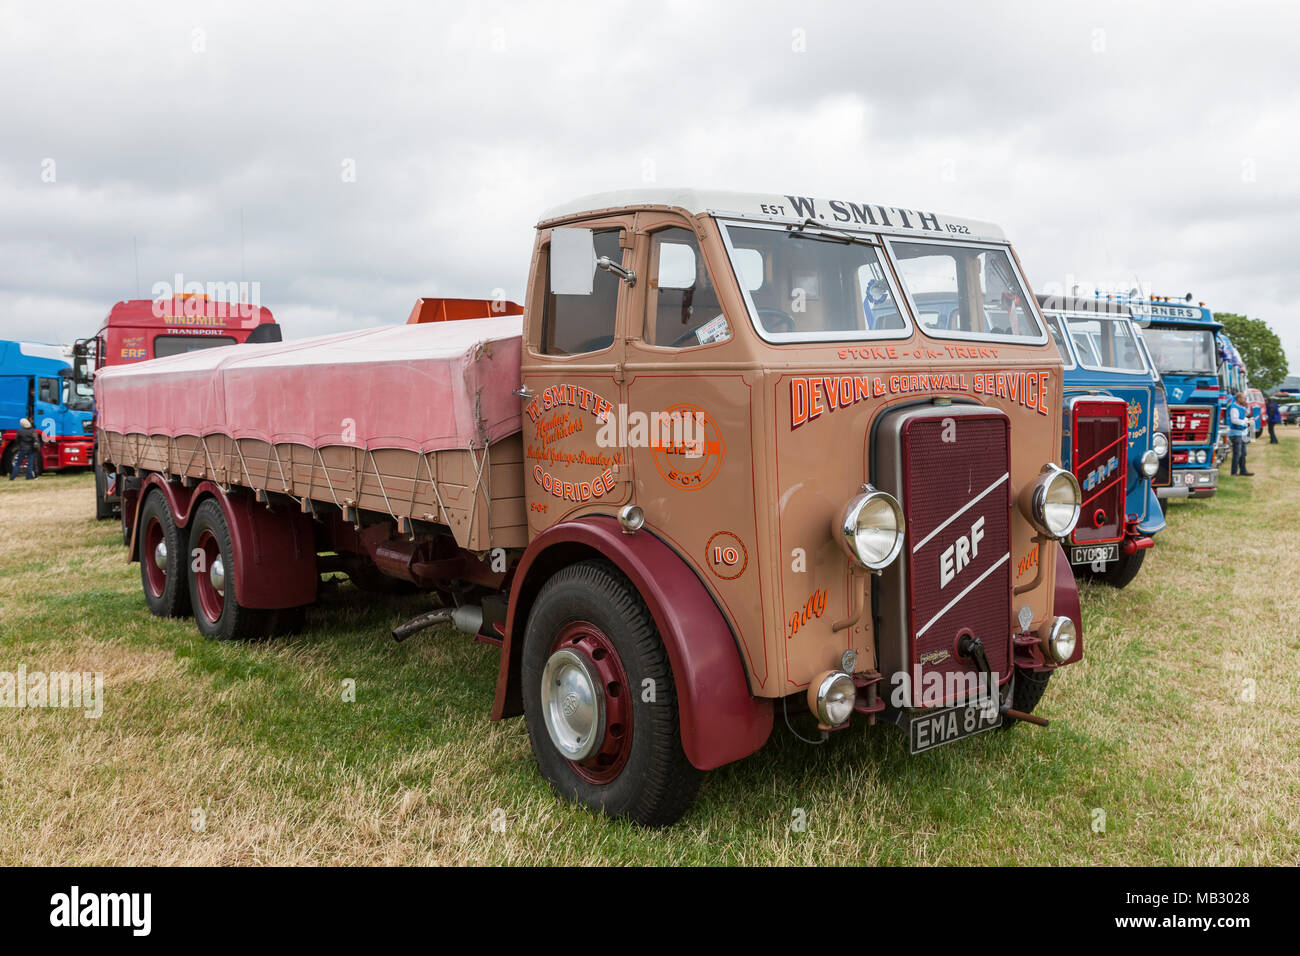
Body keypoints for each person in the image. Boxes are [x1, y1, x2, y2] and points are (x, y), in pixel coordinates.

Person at [1226, 392, 1252, 477]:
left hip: (1242, 433)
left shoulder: (1240, 407)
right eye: (1244, 398)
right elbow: (1234, 420)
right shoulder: (1234, 408)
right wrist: (1245, 422)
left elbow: (1246, 414)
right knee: (1237, 453)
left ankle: (1243, 470)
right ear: (1239, 399)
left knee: (1243, 453)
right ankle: (1234, 472)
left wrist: (1248, 419)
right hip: (1236, 433)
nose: (1245, 400)